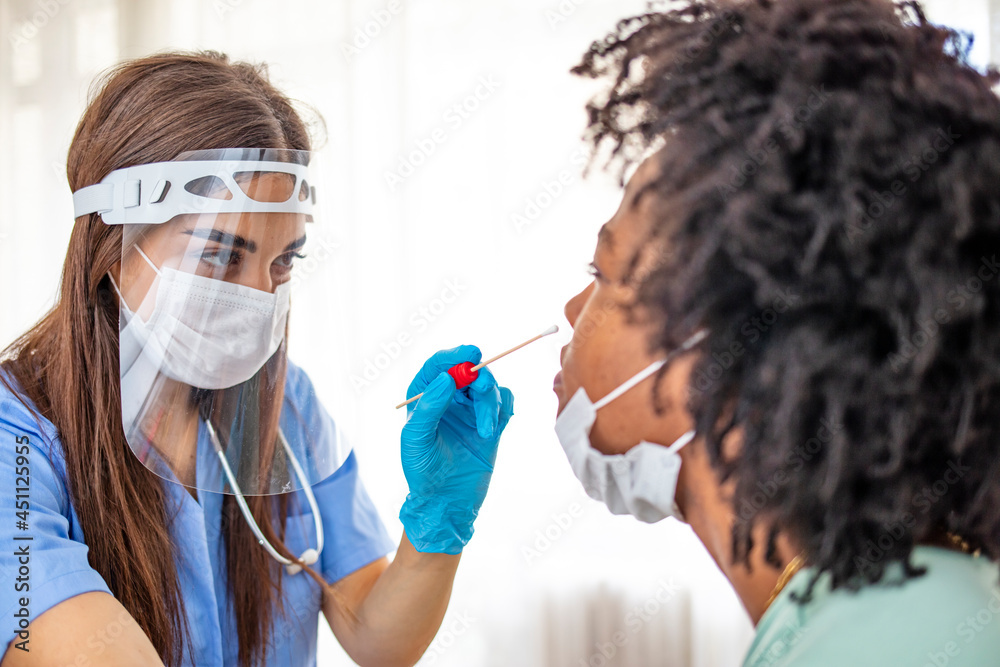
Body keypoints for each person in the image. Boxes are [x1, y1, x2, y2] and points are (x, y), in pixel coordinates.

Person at [0, 52, 513, 667]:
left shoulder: (286, 405)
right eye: (221, 255)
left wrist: (438, 513)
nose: (258, 297)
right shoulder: (16, 440)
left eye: (283, 262)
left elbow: (379, 641)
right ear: (113, 247)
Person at [553, 0, 1000, 664]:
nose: (572, 307)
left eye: (606, 270)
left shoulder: (888, 641)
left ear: (708, 340)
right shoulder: (899, 605)